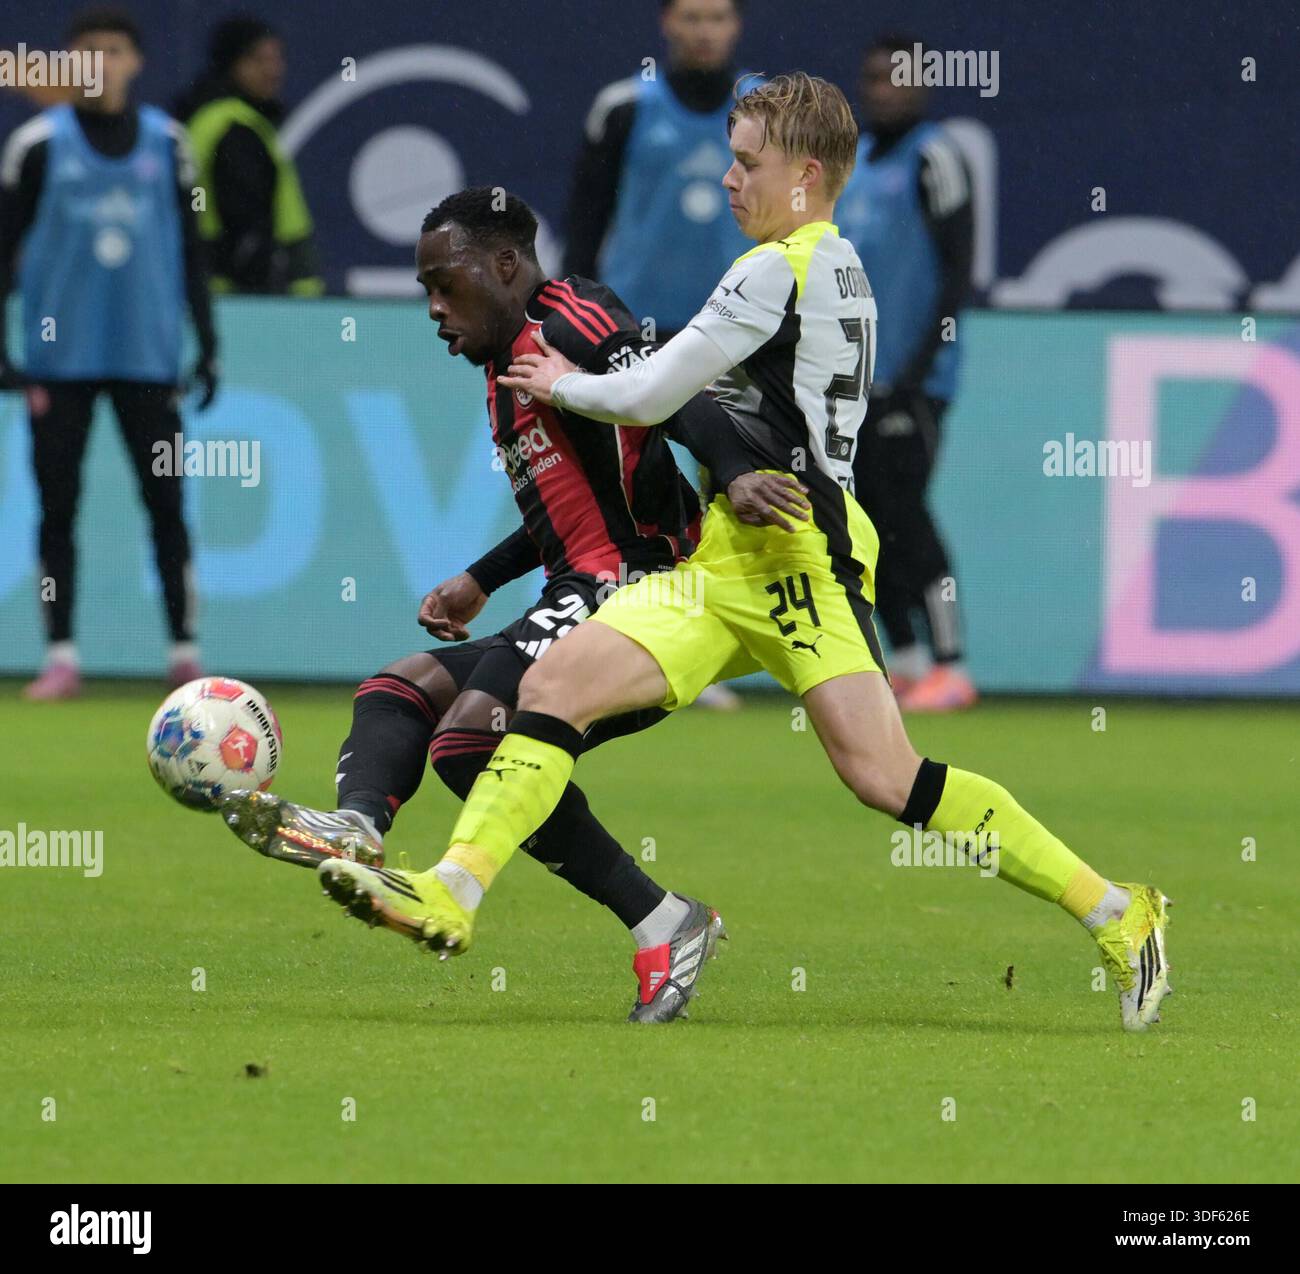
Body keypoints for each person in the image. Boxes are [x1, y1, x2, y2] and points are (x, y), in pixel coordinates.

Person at [315, 76, 1172, 1033]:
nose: (728, 180)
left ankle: (1116, 909)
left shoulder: (773, 270)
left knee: (886, 778)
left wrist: (562, 383)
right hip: (727, 558)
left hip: (801, 560)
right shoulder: (842, 266)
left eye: (746, 163)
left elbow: (651, 393)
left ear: (804, 175)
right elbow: (722, 399)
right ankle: (454, 889)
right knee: (556, 684)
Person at [219, 186, 808, 1022]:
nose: (433, 307)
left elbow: (675, 389)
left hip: (643, 588)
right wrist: (483, 576)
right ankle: (362, 828)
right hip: (580, 589)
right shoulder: (504, 369)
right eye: (424, 289)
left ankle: (639, 915)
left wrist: (737, 472)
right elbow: (573, 504)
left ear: (504, 265)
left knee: (469, 740)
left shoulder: (572, 317)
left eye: (444, 284)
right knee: (399, 687)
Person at [0, 7, 217, 700]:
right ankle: (61, 655)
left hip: (148, 360)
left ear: (136, 62)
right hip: (58, 363)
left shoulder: (169, 144)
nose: (100, 65)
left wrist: (208, 346)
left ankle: (183, 651)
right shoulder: (37, 145)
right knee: (57, 507)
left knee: (167, 505)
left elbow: (191, 250)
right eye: (87, 52)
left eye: (114, 51)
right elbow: (3, 252)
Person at [565, 0, 755, 710]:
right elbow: (586, 216)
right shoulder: (623, 108)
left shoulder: (765, 107)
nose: (705, 31)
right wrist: (570, 315)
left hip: (736, 321)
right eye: (692, 17)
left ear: (736, 26)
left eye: (718, 17)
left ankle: (705, 648)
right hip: (633, 327)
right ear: (667, 24)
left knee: (727, 486)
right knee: (629, 486)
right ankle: (612, 639)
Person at [836, 33, 976, 711]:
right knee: (865, 520)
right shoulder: (855, 161)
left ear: (923, 83)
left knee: (908, 516)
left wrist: (918, 369)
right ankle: (909, 659)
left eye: (898, 77)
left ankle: (953, 662)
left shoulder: (935, 157)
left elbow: (958, 270)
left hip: (915, 383)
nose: (884, 90)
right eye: (874, 77)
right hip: (855, 381)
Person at [173, 15, 323, 295]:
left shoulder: (228, 120)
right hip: (239, 297)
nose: (272, 70)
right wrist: (266, 283)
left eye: (276, 58)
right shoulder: (233, 127)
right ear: (231, 64)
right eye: (258, 59)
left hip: (223, 289)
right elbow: (246, 230)